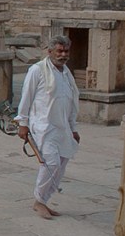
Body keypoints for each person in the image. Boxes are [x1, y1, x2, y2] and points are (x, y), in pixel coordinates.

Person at [15, 34, 81, 219]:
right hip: (44, 126)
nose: (63, 54)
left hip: (63, 127)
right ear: (50, 51)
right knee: (50, 163)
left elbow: (70, 102)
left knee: (61, 163)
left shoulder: (67, 73)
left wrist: (73, 128)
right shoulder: (37, 70)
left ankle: (44, 199)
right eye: (59, 51)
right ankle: (39, 202)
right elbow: (26, 97)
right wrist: (23, 124)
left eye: (66, 51)